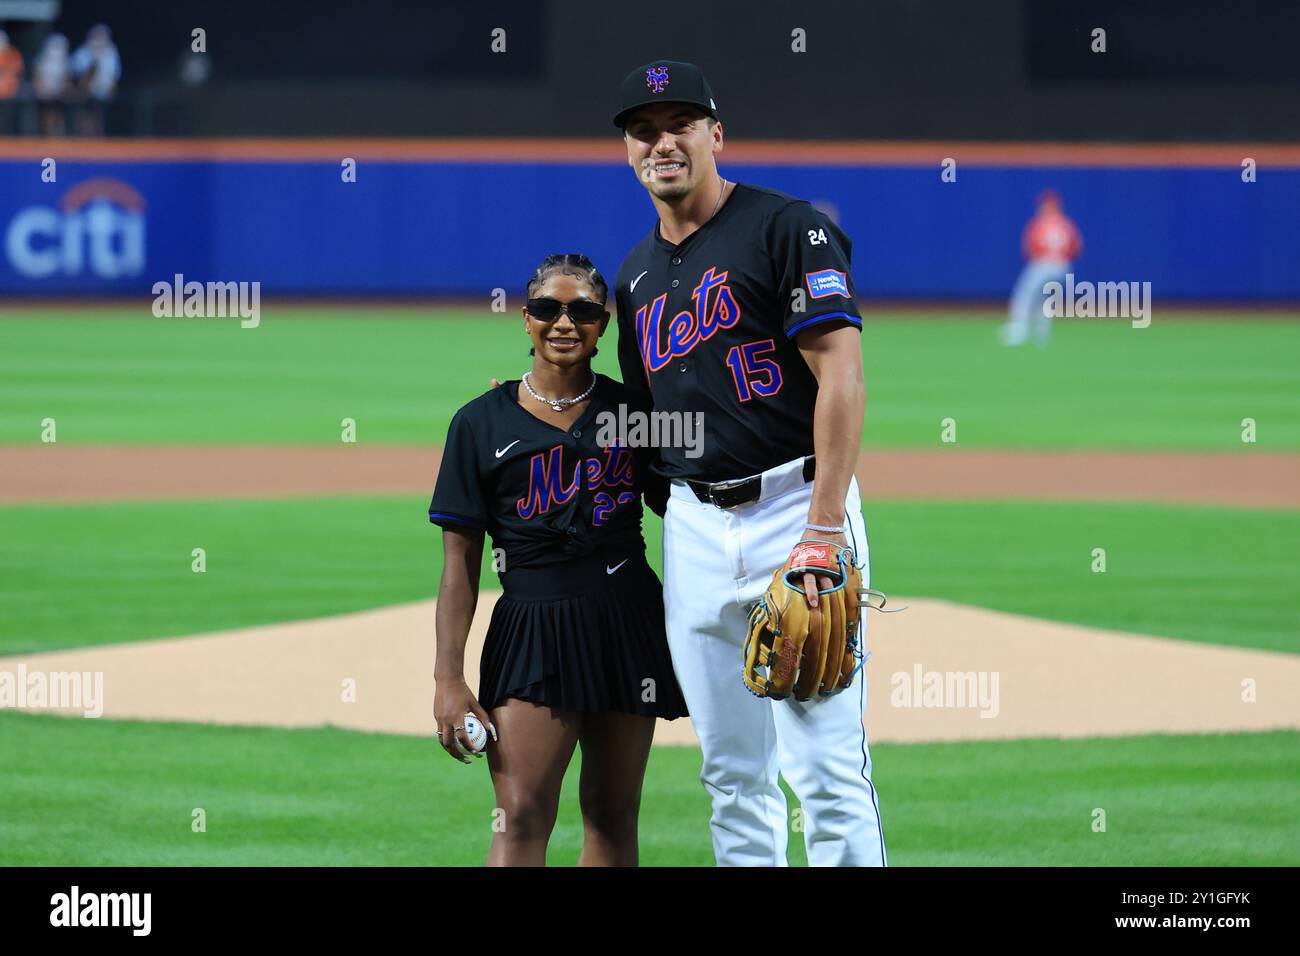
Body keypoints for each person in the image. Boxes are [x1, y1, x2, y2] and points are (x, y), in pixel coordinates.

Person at [611, 60, 886, 866]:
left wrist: (824, 531)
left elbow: (843, 372)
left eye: (681, 124)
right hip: (696, 526)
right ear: (629, 151)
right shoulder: (632, 275)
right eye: (644, 131)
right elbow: (646, 423)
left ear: (716, 135)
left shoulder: (785, 227)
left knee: (827, 771)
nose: (663, 142)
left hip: (797, 510)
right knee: (731, 774)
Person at [429, 253, 688, 867]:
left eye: (583, 312)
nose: (564, 323)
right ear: (526, 320)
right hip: (533, 623)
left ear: (603, 326)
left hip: (627, 617)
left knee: (613, 813)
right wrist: (447, 677)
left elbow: (689, 508)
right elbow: (459, 566)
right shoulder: (478, 423)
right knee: (519, 813)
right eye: (548, 309)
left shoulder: (638, 414)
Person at [1000, 190, 1083, 347]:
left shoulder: (1041, 223)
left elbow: (1030, 246)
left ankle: (1018, 330)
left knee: (1024, 295)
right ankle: (1042, 335)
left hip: (1042, 264)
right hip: (1062, 267)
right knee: (1045, 300)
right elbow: (1077, 247)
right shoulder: (1066, 225)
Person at [69, 24, 120, 136]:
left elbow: (114, 76)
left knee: (99, 117)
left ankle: (98, 138)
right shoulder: (83, 52)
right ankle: (83, 137)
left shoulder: (111, 53)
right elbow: (75, 73)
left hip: (103, 91)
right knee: (84, 115)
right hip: (84, 91)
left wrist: (110, 88)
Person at [32, 33, 70, 137]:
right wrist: (43, 89)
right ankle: (46, 136)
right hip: (45, 94)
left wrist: (62, 89)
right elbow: (37, 78)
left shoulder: (65, 61)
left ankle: (58, 136)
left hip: (59, 94)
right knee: (46, 116)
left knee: (59, 116)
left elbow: (66, 79)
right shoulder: (42, 60)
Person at [0, 31, 24, 136]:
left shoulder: (13, 53)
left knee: (9, 118)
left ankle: (9, 137)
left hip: (11, 91)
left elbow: (18, 69)